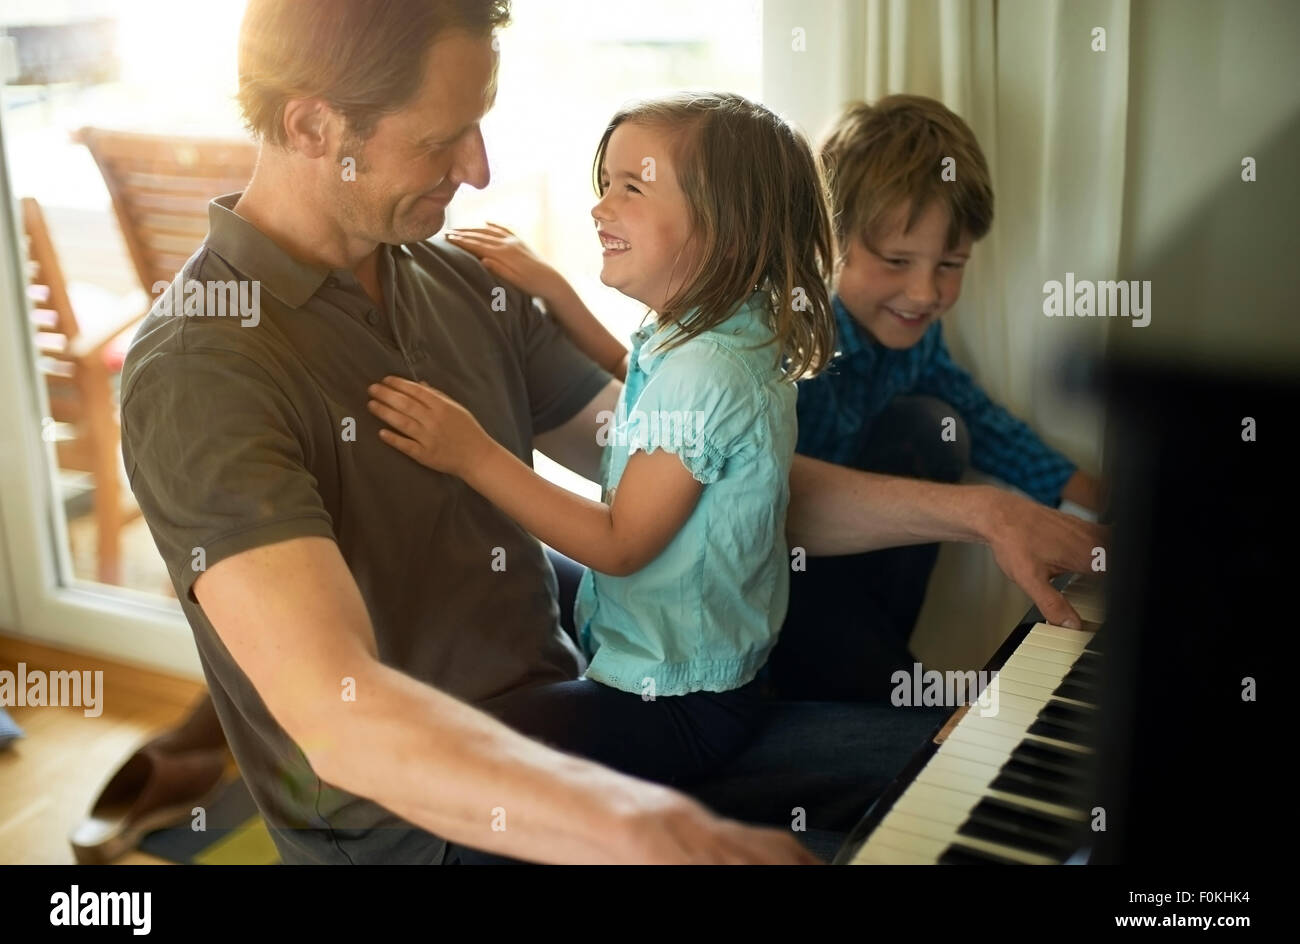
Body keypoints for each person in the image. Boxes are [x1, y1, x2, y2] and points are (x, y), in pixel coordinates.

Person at [117, 0, 1104, 865]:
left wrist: (981, 513)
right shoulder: (203, 366)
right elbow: (344, 715)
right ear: (311, 122)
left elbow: (702, 476)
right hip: (435, 831)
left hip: (601, 706)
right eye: (443, 138)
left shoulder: (457, 280)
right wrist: (639, 830)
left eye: (481, 127)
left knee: (1027, 782)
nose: (479, 167)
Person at [368, 91, 835, 790]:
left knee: (465, 746)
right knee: (512, 563)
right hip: (697, 674)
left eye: (632, 189)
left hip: (676, 707)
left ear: (726, 231)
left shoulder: (708, 372)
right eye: (606, 184)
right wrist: (554, 287)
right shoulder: (723, 330)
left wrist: (471, 453)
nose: (600, 207)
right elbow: (636, 368)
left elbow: (618, 543)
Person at [768, 95, 1109, 701]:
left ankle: (877, 668)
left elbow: (983, 418)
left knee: (935, 424)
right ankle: (875, 687)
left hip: (851, 571)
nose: (925, 292)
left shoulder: (913, 342)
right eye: (897, 260)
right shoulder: (786, 333)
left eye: (950, 264)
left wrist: (1100, 502)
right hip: (768, 579)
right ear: (830, 238)